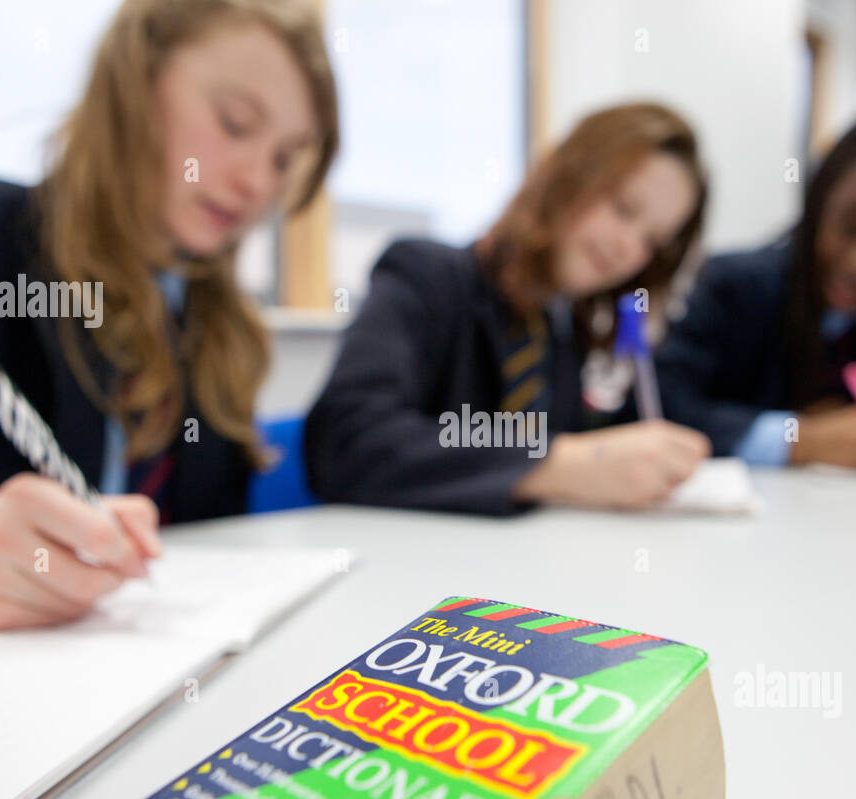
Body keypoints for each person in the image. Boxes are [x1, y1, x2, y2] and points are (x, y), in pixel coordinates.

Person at [0, 0, 338, 631]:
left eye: (284, 158)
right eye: (235, 123)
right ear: (134, 82)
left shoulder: (219, 332)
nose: (256, 182)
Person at [304, 102, 712, 515]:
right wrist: (561, 463)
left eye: (651, 241)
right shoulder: (425, 276)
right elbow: (346, 439)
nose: (629, 248)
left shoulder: (563, 330)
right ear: (565, 176)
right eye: (623, 209)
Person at [657, 109, 856, 469]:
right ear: (819, 201)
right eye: (852, 226)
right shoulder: (735, 285)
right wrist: (800, 437)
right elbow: (659, 405)